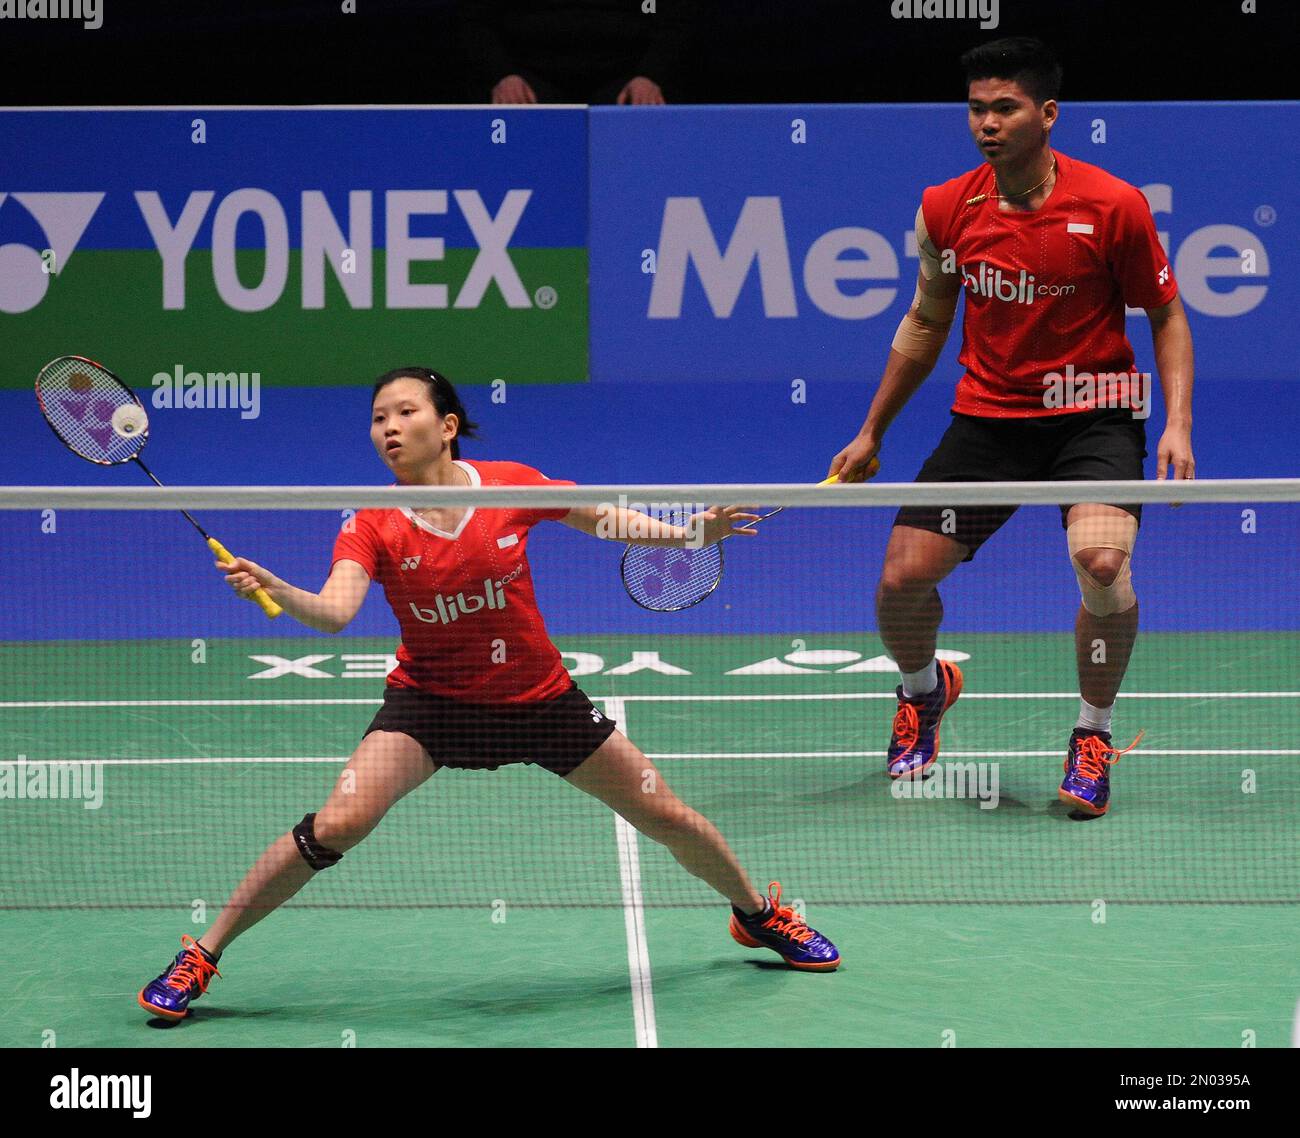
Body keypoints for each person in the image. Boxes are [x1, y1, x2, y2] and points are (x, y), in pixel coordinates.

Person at [138, 366, 839, 1020]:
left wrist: (689, 535)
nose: (387, 427)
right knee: (337, 824)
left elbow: (601, 519)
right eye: (378, 416)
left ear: (445, 427)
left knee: (668, 815)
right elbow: (335, 612)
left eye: (405, 412)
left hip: (538, 699)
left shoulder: (505, 484)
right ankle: (203, 952)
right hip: (431, 705)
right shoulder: (370, 523)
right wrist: (276, 589)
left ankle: (755, 914)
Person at [829, 37, 1194, 817]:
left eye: (1005, 108)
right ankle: (925, 693)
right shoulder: (945, 208)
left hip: (1093, 416)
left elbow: (1166, 314)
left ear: (1048, 115)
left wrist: (1176, 424)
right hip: (989, 421)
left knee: (1102, 565)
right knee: (901, 580)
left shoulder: (1113, 205)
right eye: (976, 109)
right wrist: (873, 431)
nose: (986, 124)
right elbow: (927, 322)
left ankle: (1092, 734)